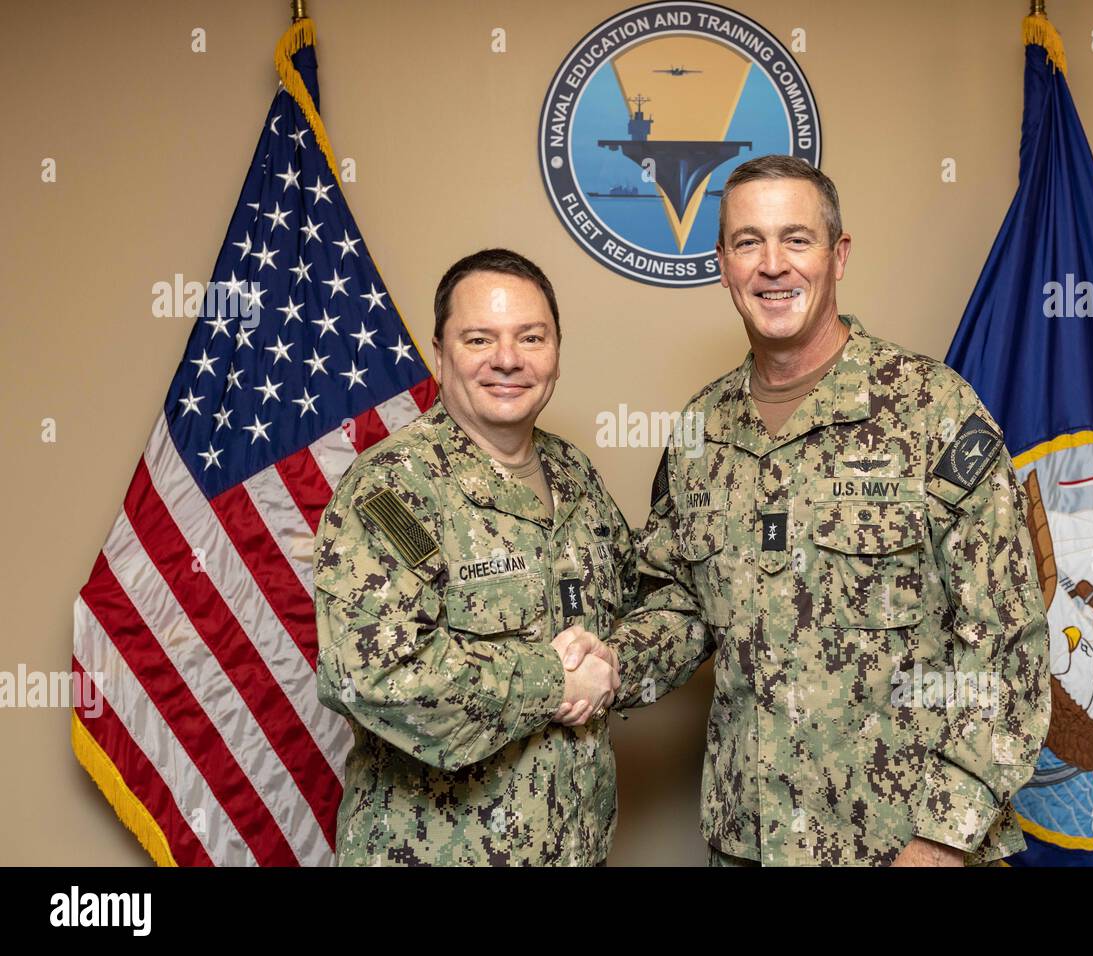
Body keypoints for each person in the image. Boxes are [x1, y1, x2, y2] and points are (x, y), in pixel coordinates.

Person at [606, 155, 1051, 867]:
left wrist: (942, 837)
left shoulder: (930, 409)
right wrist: (598, 668)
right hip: (750, 845)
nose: (773, 264)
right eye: (748, 242)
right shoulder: (700, 430)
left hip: (907, 847)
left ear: (838, 255)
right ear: (721, 263)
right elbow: (679, 607)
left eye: (797, 239)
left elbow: (1005, 643)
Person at [313, 248, 635, 865]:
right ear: (440, 354)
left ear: (556, 353)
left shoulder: (575, 476)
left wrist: (612, 661)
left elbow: (639, 597)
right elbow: (376, 675)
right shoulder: (394, 487)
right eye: (479, 338)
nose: (507, 359)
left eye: (531, 337)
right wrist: (556, 679)